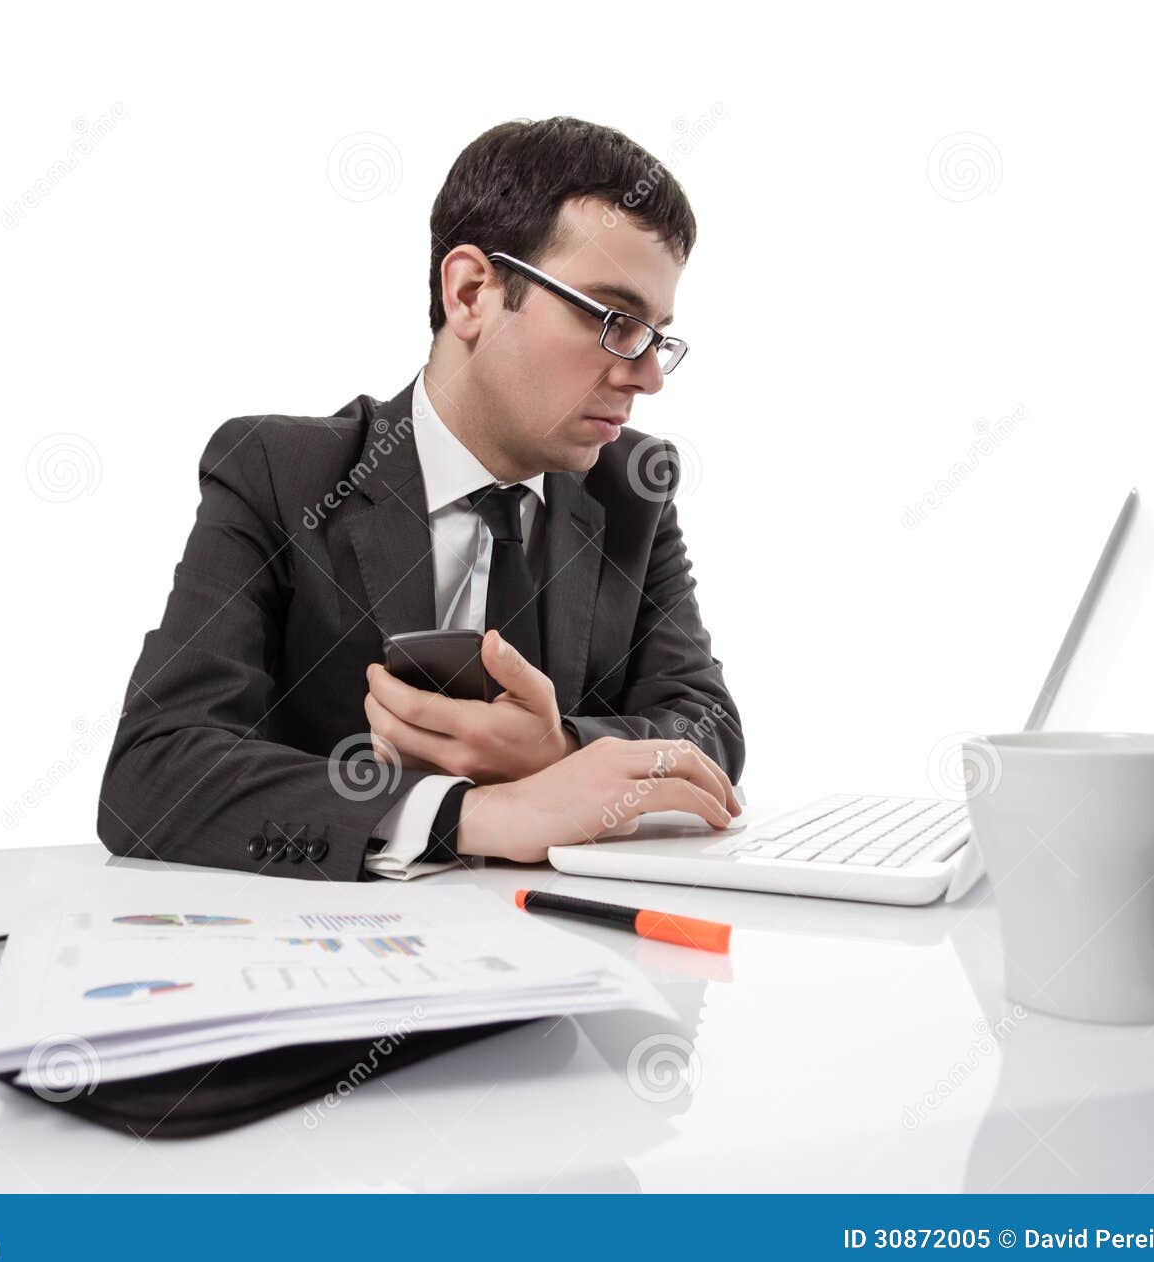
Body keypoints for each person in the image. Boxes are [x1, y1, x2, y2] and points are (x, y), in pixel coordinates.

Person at [98, 116, 744, 882]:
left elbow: (708, 728)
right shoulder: (277, 472)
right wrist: (473, 813)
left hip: (570, 953)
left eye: (654, 334)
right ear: (471, 292)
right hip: (328, 959)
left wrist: (561, 751)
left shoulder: (632, 488)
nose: (648, 376)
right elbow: (155, 769)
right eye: (612, 320)